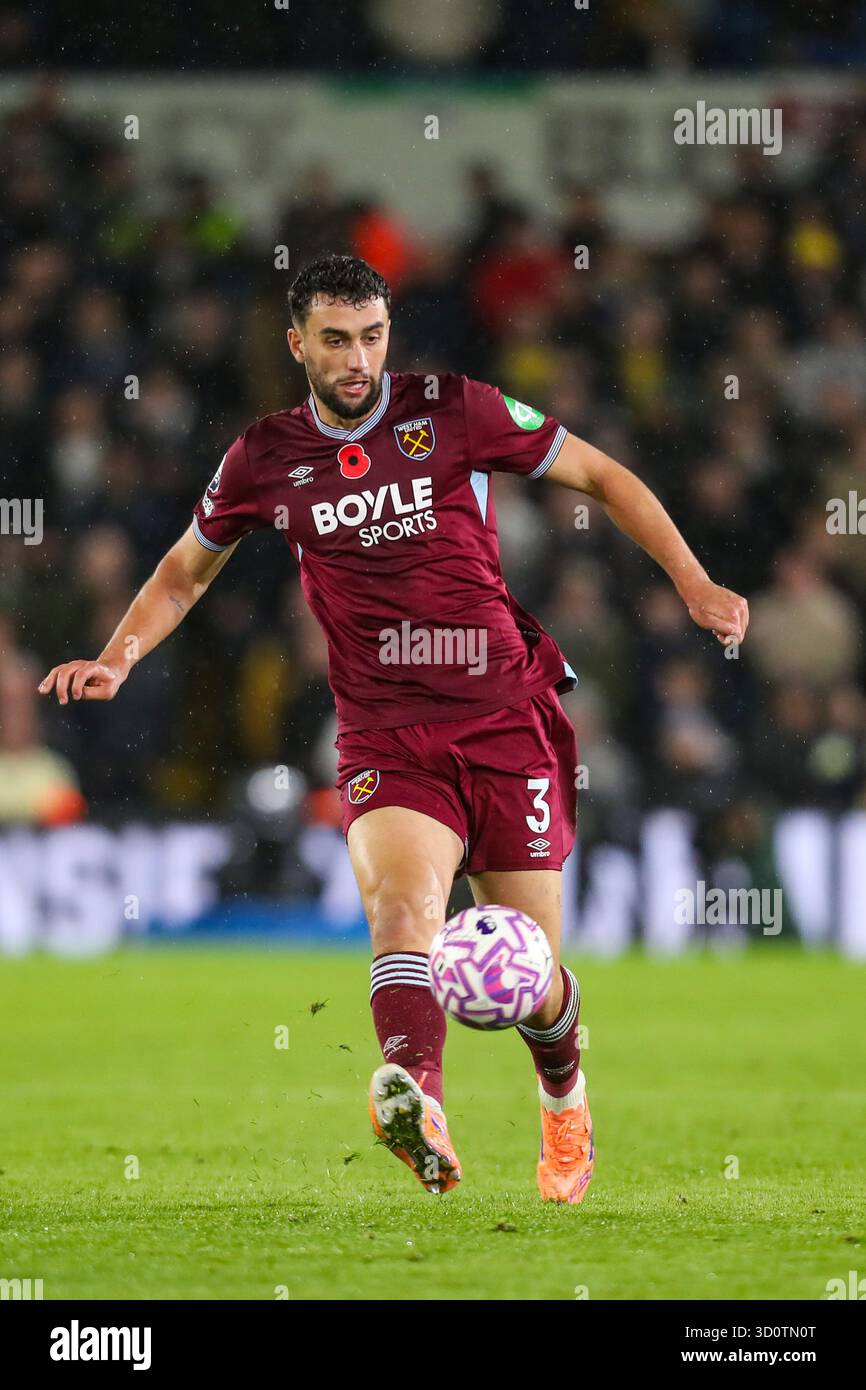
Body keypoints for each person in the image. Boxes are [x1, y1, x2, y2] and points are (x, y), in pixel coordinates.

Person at [39, 253, 749, 1203]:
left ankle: (565, 1100)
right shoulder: (264, 457)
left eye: (372, 336)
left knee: (530, 979)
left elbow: (604, 476)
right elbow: (182, 570)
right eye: (335, 339)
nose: (357, 358)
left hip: (505, 722)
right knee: (404, 917)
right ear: (297, 345)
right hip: (386, 737)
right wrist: (117, 656)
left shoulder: (456, 409)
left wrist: (694, 582)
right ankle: (417, 1098)